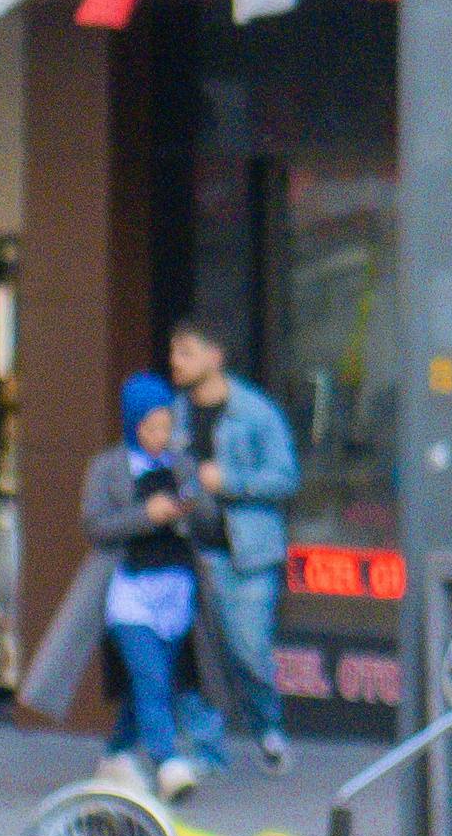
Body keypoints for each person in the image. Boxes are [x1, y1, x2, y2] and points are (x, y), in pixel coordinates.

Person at [169, 320, 302, 763]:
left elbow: (285, 478)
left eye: (186, 352)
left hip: (246, 555)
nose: (176, 362)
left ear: (215, 357)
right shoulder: (176, 413)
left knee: (249, 650)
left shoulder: (256, 412)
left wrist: (231, 481)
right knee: (197, 657)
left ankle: (268, 728)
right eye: (174, 352)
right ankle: (207, 749)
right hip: (192, 551)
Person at [93, 382, 223, 799]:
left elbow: (210, 519)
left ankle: (115, 756)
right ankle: (167, 763)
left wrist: (193, 500)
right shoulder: (107, 468)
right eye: (151, 428)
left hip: (175, 590)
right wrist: (146, 515)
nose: (160, 437)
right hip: (130, 592)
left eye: (166, 427)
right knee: (150, 676)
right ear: (134, 425)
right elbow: (95, 525)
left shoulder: (181, 463)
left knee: (151, 682)